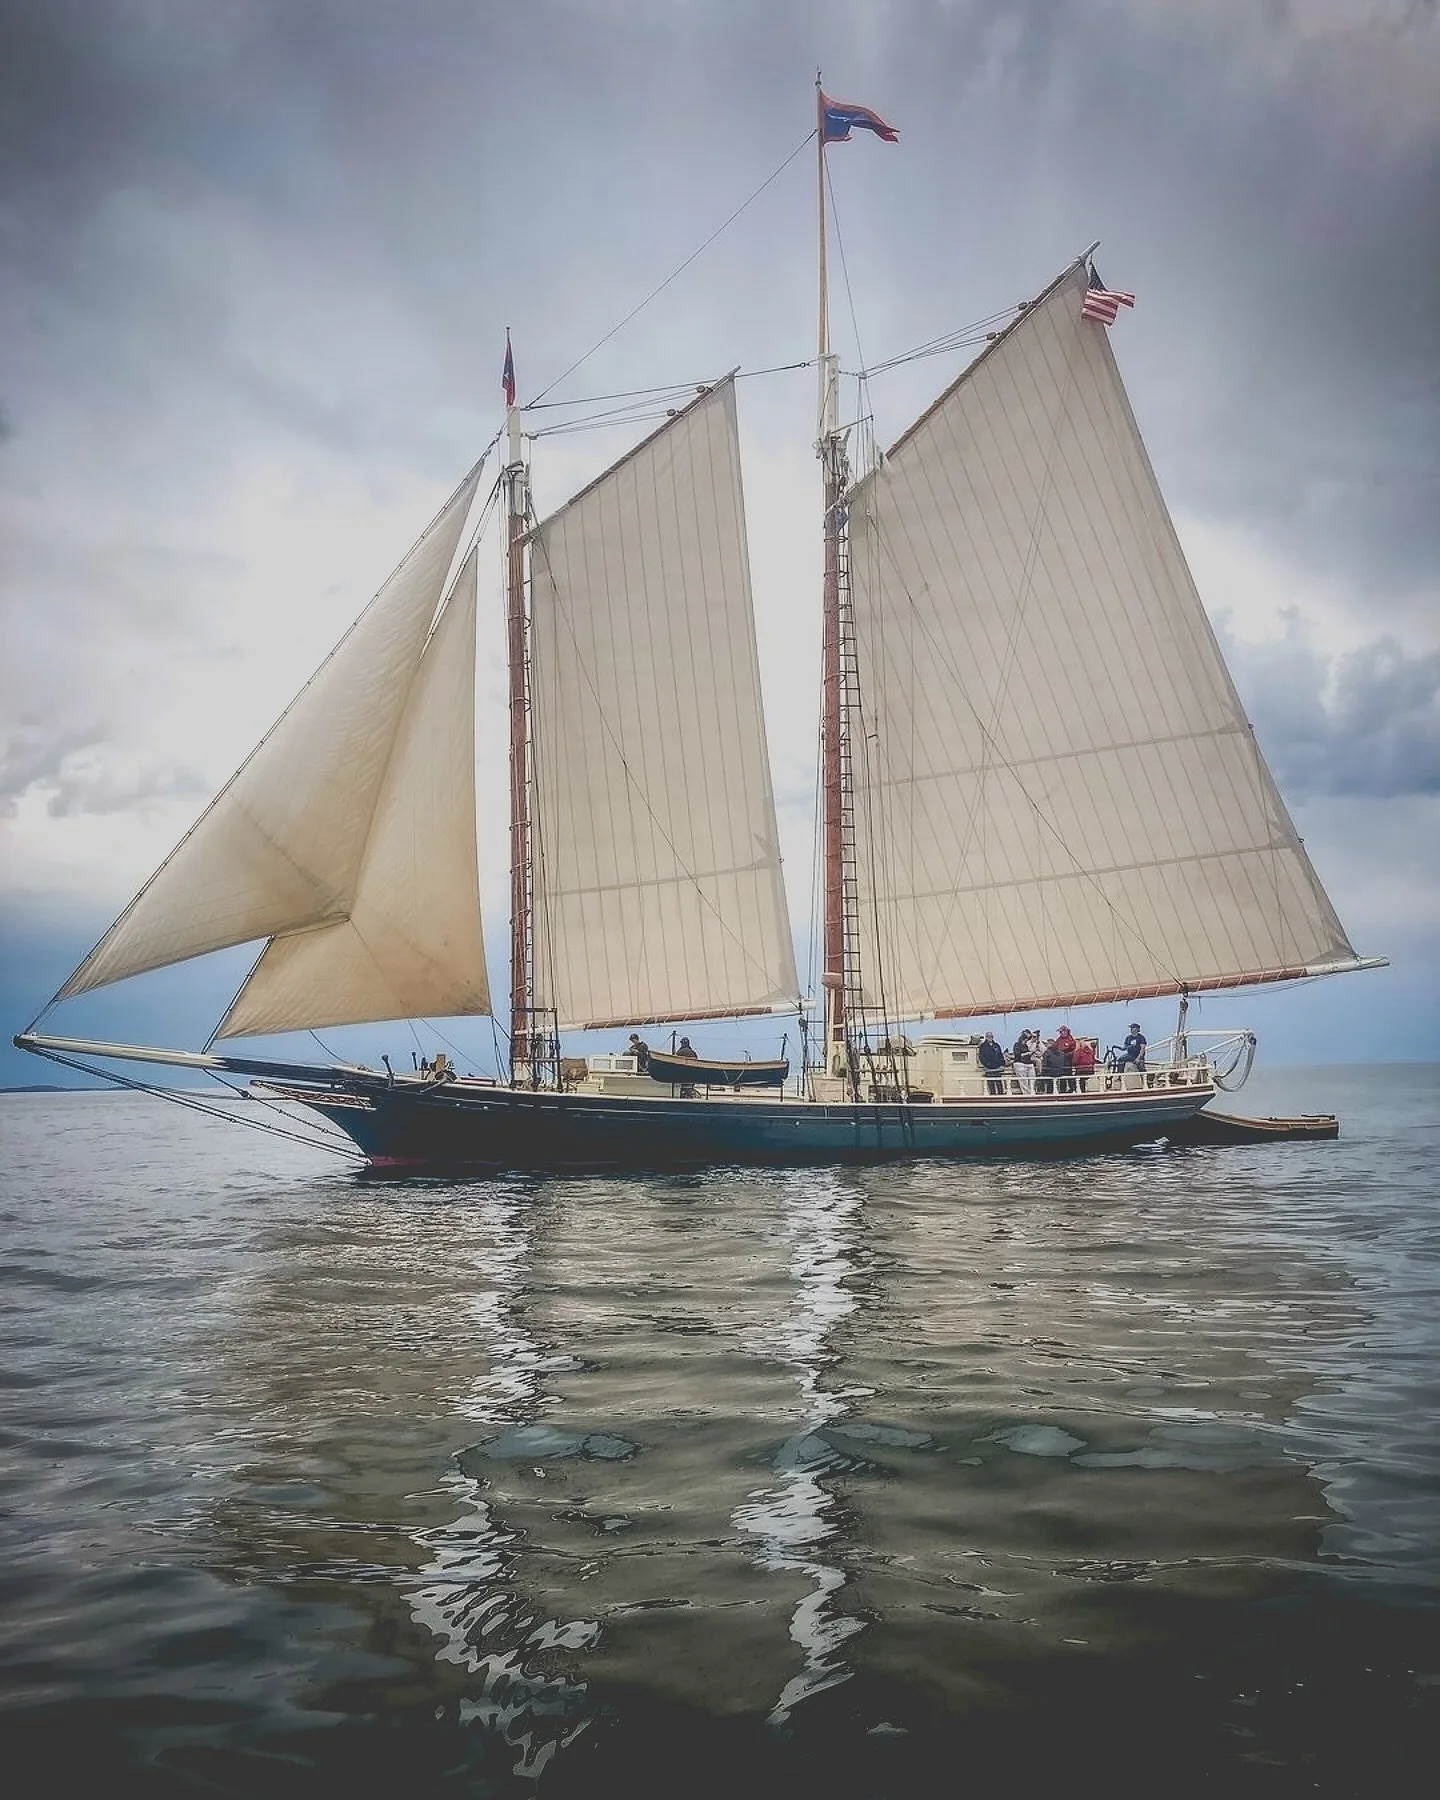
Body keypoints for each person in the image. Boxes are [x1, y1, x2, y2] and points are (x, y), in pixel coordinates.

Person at [977, 1030, 1007, 1095]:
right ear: (986, 1037)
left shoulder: (996, 1045)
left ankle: (1000, 1097)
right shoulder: (983, 1046)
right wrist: (987, 1065)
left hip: (997, 1068)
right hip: (989, 1069)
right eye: (988, 1036)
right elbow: (981, 1057)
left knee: (999, 1085)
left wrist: (1002, 1064)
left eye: (991, 1036)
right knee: (991, 1085)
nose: (990, 1037)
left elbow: (1000, 1055)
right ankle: (993, 1097)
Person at [1010, 1028, 1036, 1095]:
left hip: (1028, 1063)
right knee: (1023, 1081)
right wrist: (1027, 1053)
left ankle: (1031, 1092)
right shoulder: (1017, 1045)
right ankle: (1026, 1094)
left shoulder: (1026, 1046)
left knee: (1032, 1078)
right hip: (1020, 1063)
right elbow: (1017, 1054)